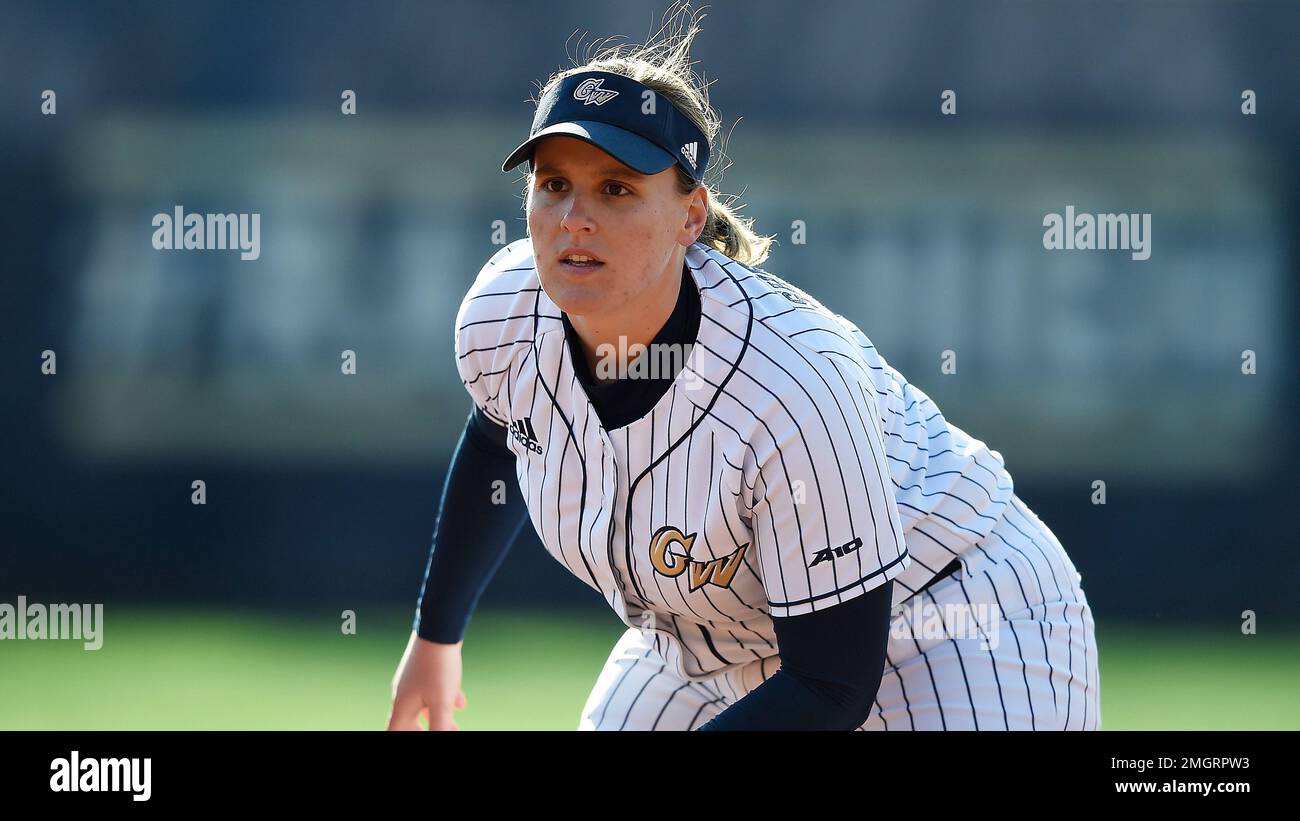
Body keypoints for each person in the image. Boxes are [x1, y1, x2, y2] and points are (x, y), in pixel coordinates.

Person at [388, 6, 1099, 731]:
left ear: (691, 216)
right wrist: (435, 635)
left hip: (955, 617)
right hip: (716, 638)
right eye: (553, 184)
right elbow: (498, 440)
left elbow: (830, 683)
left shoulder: (789, 384)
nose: (574, 217)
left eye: (617, 188)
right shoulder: (506, 314)